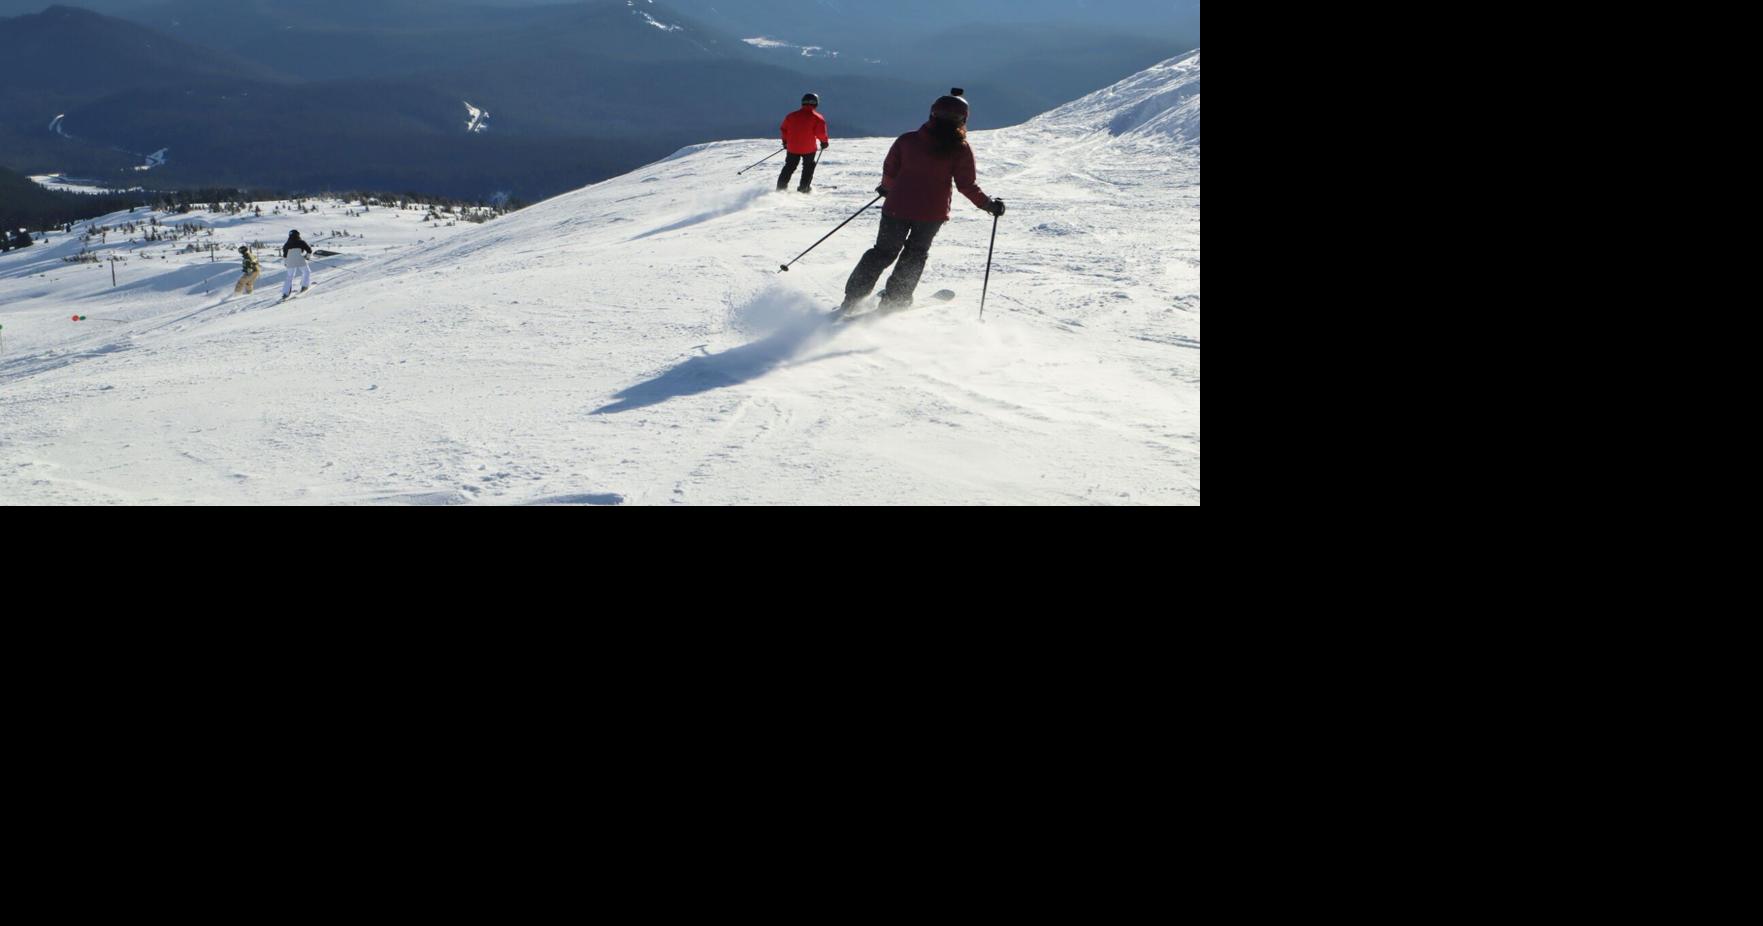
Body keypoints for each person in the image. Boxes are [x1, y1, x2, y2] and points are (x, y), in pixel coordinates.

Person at [841, 89, 1004, 313]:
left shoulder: (907, 140)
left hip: (897, 208)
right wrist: (989, 205)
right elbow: (966, 185)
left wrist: (887, 188)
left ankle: (853, 298)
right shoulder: (960, 149)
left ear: (932, 114)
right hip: (931, 214)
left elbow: (890, 170)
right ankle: (895, 300)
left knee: (883, 252)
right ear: (963, 119)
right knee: (915, 255)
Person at [778, 92, 830, 193]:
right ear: (816, 104)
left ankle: (780, 188)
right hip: (809, 148)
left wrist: (785, 141)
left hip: (792, 147)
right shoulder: (817, 117)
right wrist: (824, 142)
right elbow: (821, 133)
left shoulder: (791, 116)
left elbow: (784, 129)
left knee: (789, 166)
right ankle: (804, 188)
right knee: (808, 167)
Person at [280, 229, 313, 300]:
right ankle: (304, 286)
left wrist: (286, 263)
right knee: (306, 272)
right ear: (297, 234)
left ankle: (285, 293)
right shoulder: (301, 241)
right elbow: (309, 250)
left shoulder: (286, 244)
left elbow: (285, 255)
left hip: (289, 261)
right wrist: (307, 256)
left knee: (289, 276)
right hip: (299, 259)